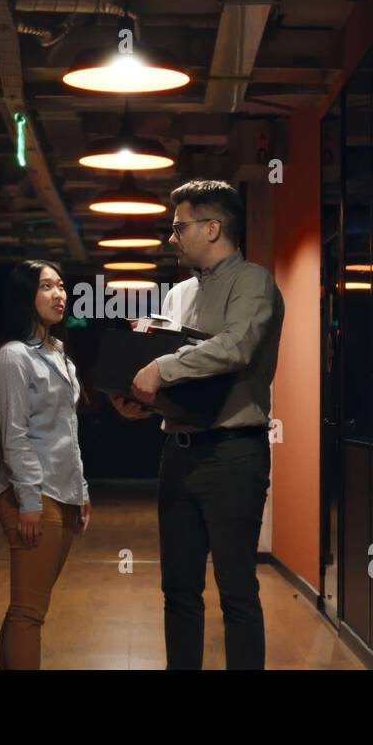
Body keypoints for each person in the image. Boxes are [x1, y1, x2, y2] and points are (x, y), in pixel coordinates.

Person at [112, 179, 285, 670]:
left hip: (234, 453)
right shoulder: (179, 294)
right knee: (179, 590)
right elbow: (166, 364)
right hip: (178, 452)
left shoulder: (254, 281)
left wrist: (161, 371)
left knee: (237, 592)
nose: (172, 238)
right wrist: (143, 402)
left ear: (213, 228)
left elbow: (235, 347)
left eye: (179, 226)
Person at [0, 260, 91, 670]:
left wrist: (81, 493)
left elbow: (69, 432)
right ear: (24, 296)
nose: (59, 294)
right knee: (29, 612)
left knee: (32, 609)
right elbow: (15, 436)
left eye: (61, 286)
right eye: (46, 286)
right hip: (34, 495)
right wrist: (28, 500)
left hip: (62, 493)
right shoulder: (12, 358)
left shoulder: (60, 355)